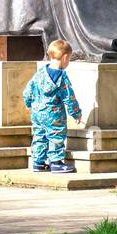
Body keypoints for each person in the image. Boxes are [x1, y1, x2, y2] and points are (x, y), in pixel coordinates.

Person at [22, 39, 83, 174]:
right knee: (55, 136)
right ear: (65, 58)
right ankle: (56, 163)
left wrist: (28, 103)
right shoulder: (61, 77)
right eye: (69, 59)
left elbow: (28, 90)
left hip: (37, 113)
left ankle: (38, 163)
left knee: (39, 136)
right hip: (53, 114)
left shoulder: (40, 73)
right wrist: (76, 113)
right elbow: (69, 97)